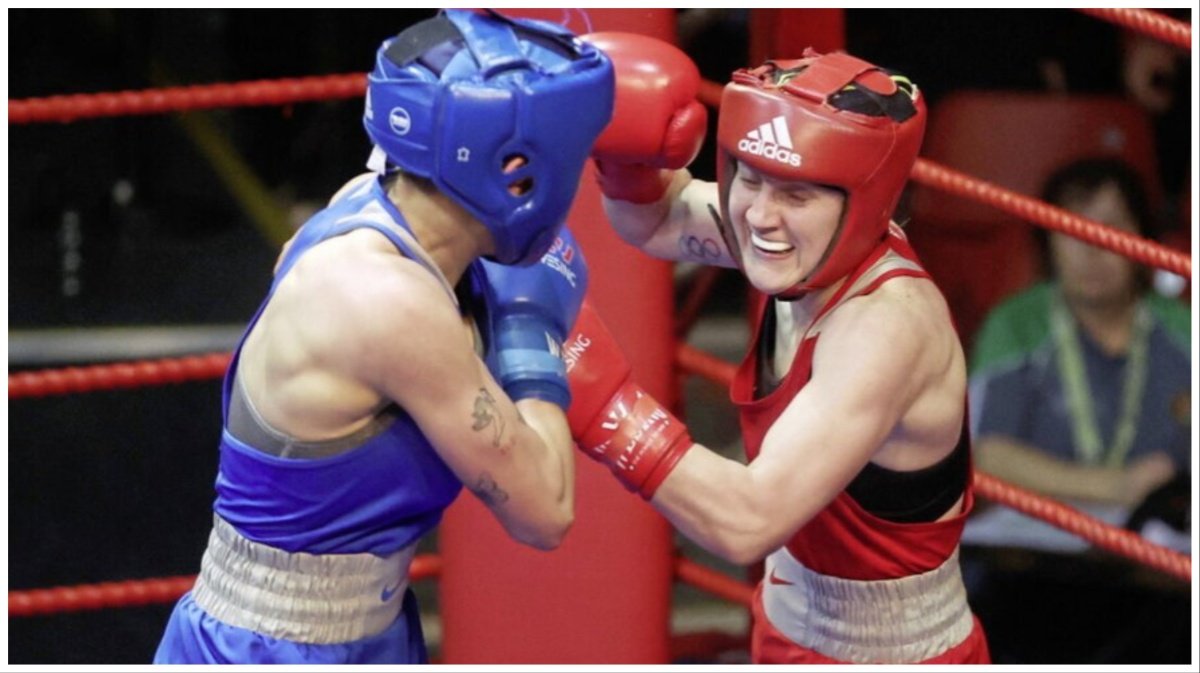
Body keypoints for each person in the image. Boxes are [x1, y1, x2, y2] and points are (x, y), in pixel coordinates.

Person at [154, 9, 612, 664]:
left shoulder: (362, 199)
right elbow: (546, 510)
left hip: (367, 631)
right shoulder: (390, 301)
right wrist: (528, 333)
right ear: (516, 167)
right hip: (271, 649)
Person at [563, 34, 989, 664]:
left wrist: (593, 390)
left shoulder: (887, 328)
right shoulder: (798, 240)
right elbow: (659, 219)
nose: (760, 216)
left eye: (794, 193)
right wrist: (627, 162)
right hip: (787, 627)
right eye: (748, 178)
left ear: (865, 204)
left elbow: (746, 522)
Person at [967, 157, 1190, 548]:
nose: (1093, 247)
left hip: (1159, 557)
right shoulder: (1017, 322)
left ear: (1145, 239)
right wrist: (1118, 486)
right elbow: (988, 455)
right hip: (1035, 555)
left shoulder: (1184, 328)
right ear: (1047, 243)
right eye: (1072, 229)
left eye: (1112, 226)